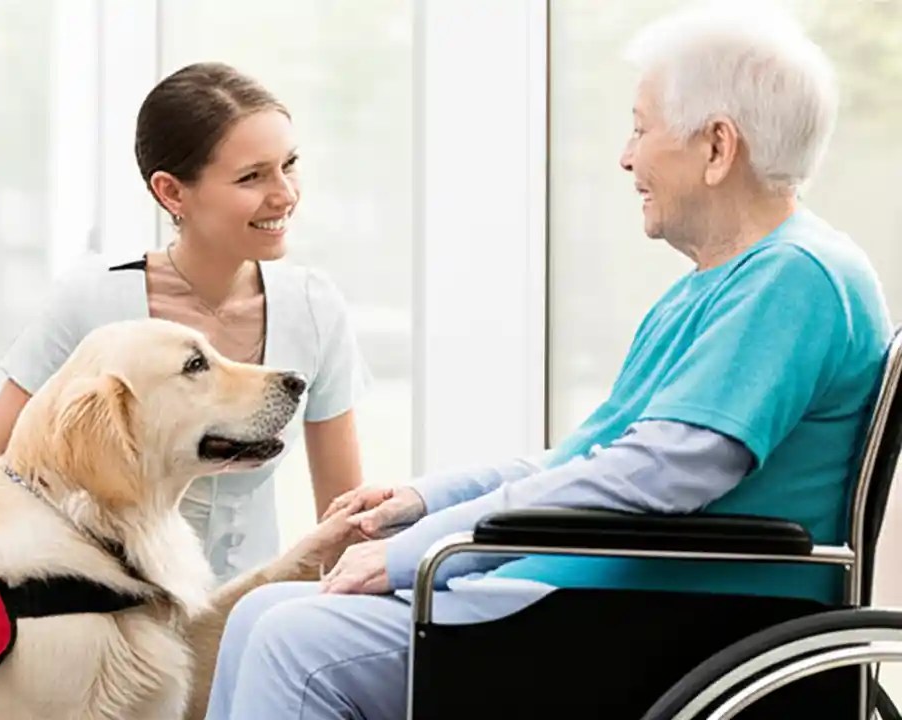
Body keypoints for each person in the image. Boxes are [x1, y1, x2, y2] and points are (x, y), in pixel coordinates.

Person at [203, 5, 895, 719]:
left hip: (669, 619)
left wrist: (422, 552)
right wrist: (425, 502)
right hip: (609, 595)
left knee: (293, 638)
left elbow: (656, 476)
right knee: (261, 616)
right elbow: (584, 460)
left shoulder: (795, 279)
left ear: (718, 147)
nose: (627, 157)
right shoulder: (724, 282)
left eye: (640, 127)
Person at [0, 62, 370, 618]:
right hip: (96, 624)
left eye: (289, 165)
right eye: (252, 177)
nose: (285, 195)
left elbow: (345, 522)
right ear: (172, 191)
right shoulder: (94, 303)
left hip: (245, 623)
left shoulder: (315, 309)